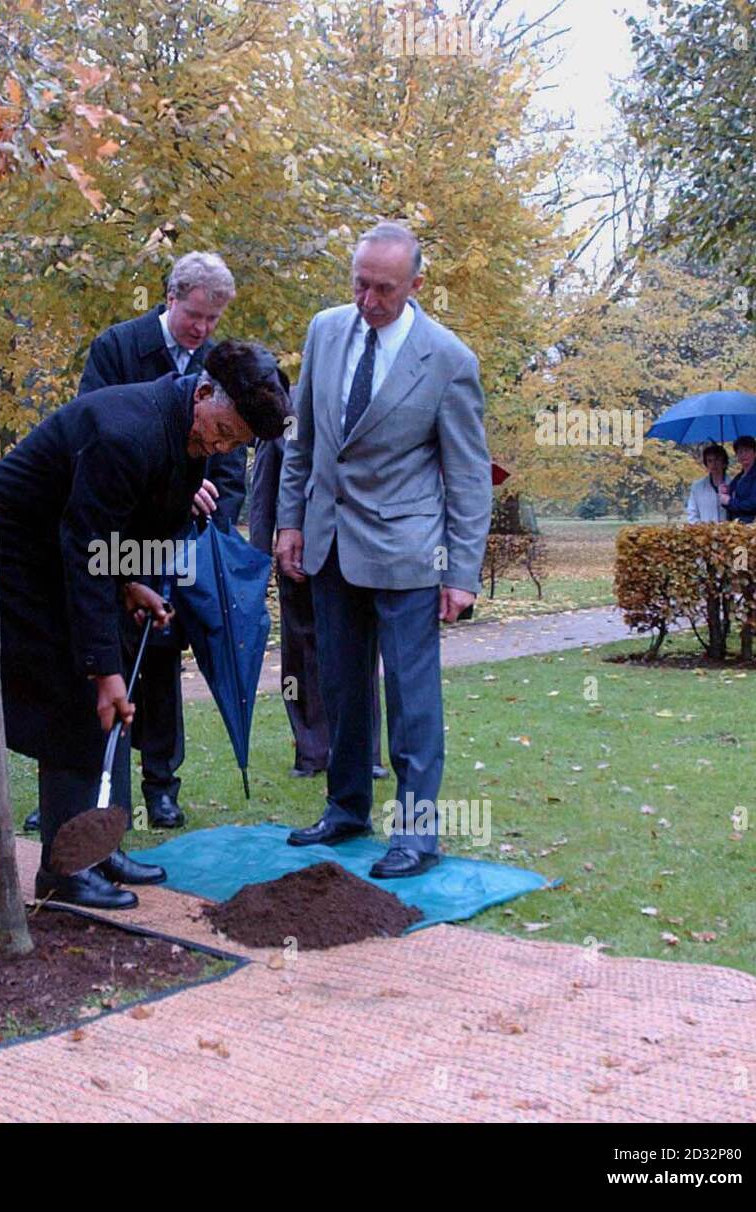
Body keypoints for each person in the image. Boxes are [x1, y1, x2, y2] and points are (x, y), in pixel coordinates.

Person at [0, 340, 292, 909]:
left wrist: (129, 581)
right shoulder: (125, 432)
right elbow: (85, 547)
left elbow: (122, 533)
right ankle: (65, 869)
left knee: (115, 701)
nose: (222, 445)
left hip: (69, 546)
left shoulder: (191, 430)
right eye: (224, 430)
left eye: (237, 443)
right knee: (77, 694)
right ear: (204, 392)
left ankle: (100, 845)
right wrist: (101, 668)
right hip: (11, 550)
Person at [276, 222, 492, 878]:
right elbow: (303, 438)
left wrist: (462, 571)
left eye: (385, 289)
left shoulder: (449, 359)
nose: (369, 300)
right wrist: (290, 522)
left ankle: (417, 834)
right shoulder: (324, 330)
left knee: (411, 697)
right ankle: (346, 808)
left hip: (410, 552)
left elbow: (469, 473)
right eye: (360, 284)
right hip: (332, 544)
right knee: (340, 688)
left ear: (417, 285)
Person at [47, 250, 242, 836]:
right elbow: (93, 431)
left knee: (160, 653)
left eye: (213, 320)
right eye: (195, 316)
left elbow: (230, 462)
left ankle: (161, 784)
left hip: (180, 539)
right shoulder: (118, 348)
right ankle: (83, 783)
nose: (202, 331)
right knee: (99, 653)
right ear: (172, 297)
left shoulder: (218, 365)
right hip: (112, 531)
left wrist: (208, 496)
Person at [249, 435, 390, 780]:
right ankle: (312, 751)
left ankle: (366, 752)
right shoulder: (283, 422)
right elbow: (264, 495)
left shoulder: (361, 409)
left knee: (360, 650)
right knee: (300, 652)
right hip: (298, 553)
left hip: (357, 548)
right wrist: (256, 561)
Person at [720, 435, 756, 523]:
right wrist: (725, 492)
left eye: (746, 451)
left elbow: (754, 504)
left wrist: (730, 502)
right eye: (740, 452)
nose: (743, 455)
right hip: (738, 527)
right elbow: (728, 501)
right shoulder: (738, 477)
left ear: (755, 453)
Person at [686, 444, 729, 523]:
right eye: (710, 461)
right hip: (704, 533)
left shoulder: (734, 485)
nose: (714, 464)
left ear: (724, 462)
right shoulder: (697, 487)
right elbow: (692, 514)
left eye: (717, 460)